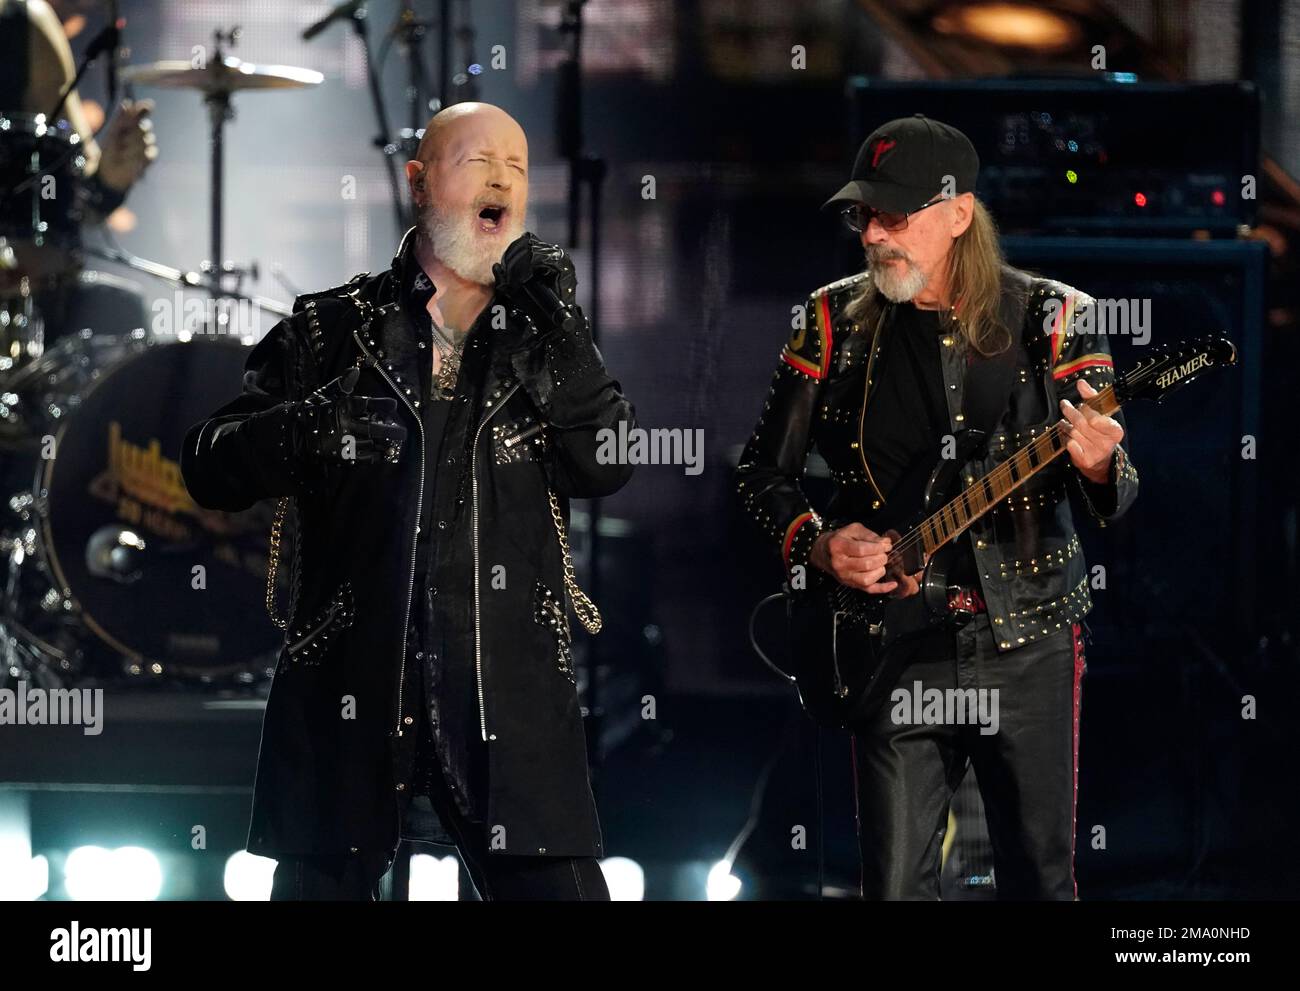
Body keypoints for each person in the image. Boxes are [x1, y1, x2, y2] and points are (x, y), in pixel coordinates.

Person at [182, 102, 636, 901]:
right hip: (351, 693)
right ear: (420, 183)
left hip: (508, 701)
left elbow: (609, 461)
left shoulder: (547, 339)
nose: (501, 177)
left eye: (517, 167)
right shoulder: (331, 329)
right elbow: (208, 465)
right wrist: (306, 428)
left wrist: (562, 324)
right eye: (477, 162)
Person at [735, 114, 1139, 899]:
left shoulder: (1055, 318)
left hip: (1028, 639)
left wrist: (1099, 465)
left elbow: (1118, 495)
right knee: (895, 887)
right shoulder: (826, 320)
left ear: (959, 214)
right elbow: (759, 471)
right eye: (865, 215)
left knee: (1042, 880)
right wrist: (817, 543)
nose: (874, 235)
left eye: (897, 214)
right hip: (888, 645)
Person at [0, 0, 157, 339]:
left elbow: (71, 195)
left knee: (118, 312)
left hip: (20, 319)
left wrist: (109, 179)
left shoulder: (22, 22)